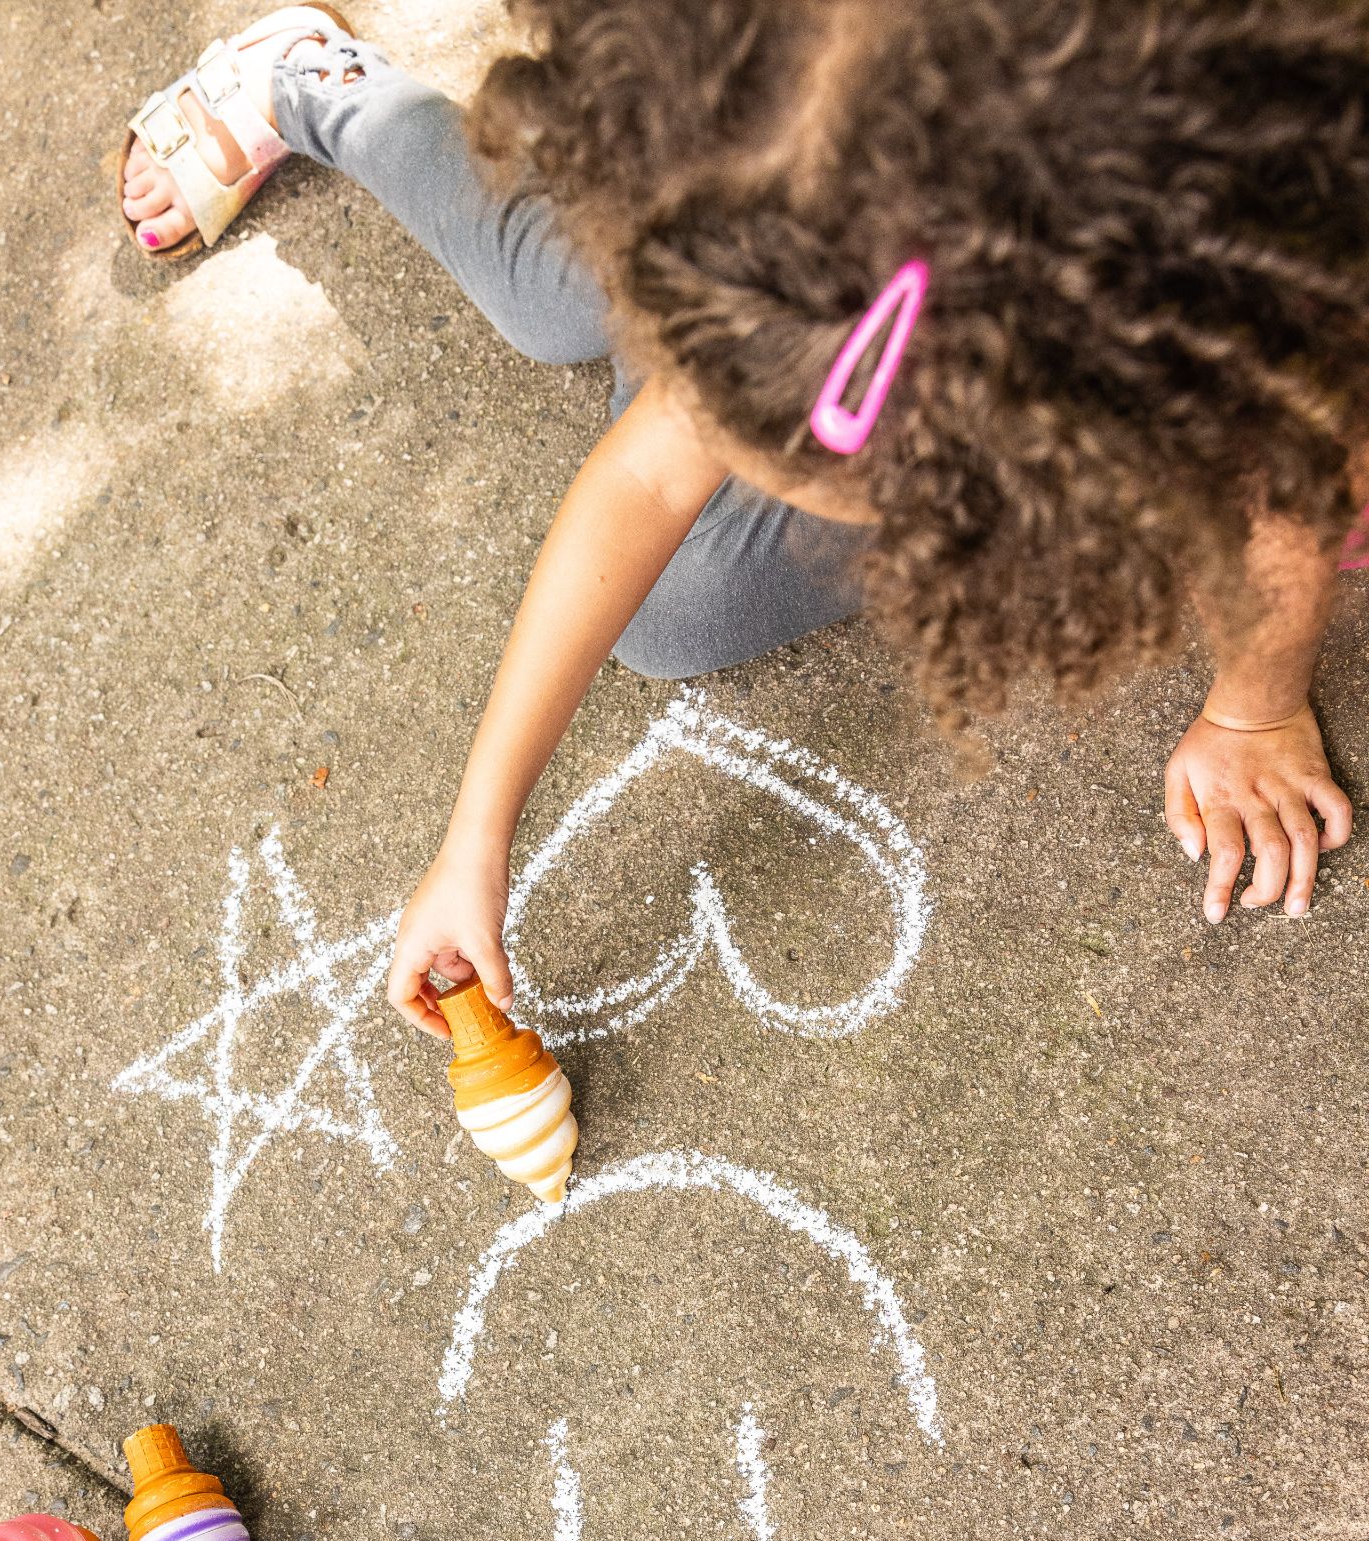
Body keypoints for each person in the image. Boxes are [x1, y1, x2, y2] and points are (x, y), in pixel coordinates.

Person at [117, 2, 1366, 1038]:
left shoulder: (1243, 338)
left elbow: (1290, 505)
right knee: (553, 302)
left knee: (676, 599)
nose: (721, 462)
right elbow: (650, 478)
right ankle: (309, 83)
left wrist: (1256, 706)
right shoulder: (799, 188)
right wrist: (476, 837)